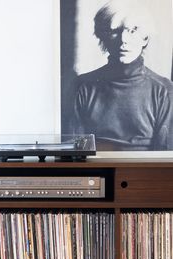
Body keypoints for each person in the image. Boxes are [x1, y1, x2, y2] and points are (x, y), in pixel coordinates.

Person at [71, 0, 173, 150]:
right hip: (97, 170)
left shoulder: (164, 91)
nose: (123, 40)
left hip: (144, 172)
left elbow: (165, 158)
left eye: (132, 30)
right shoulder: (82, 86)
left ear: (145, 38)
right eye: (115, 31)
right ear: (102, 36)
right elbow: (76, 152)